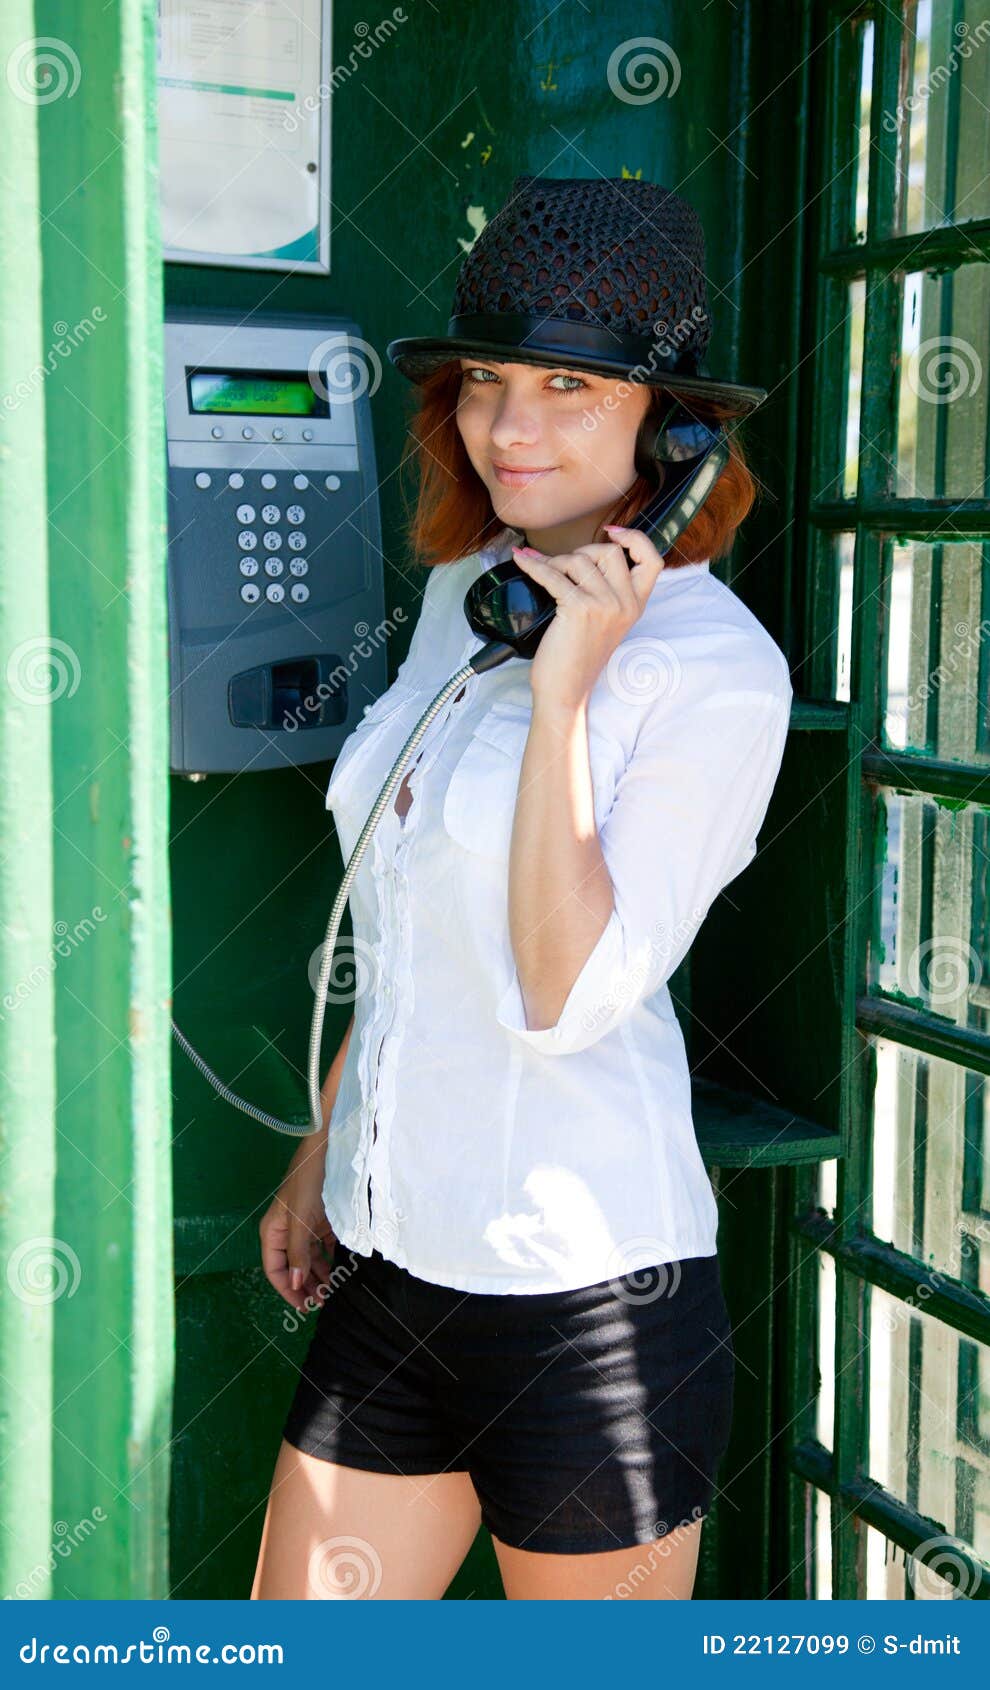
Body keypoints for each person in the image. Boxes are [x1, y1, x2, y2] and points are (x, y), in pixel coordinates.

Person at [251, 175, 792, 1601]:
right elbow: (412, 910)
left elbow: (559, 995)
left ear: (669, 432)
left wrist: (564, 703)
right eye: (486, 382)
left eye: (569, 386)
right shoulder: (465, 595)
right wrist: (326, 1145)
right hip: (391, 1265)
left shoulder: (715, 673)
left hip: (588, 1297)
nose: (509, 427)